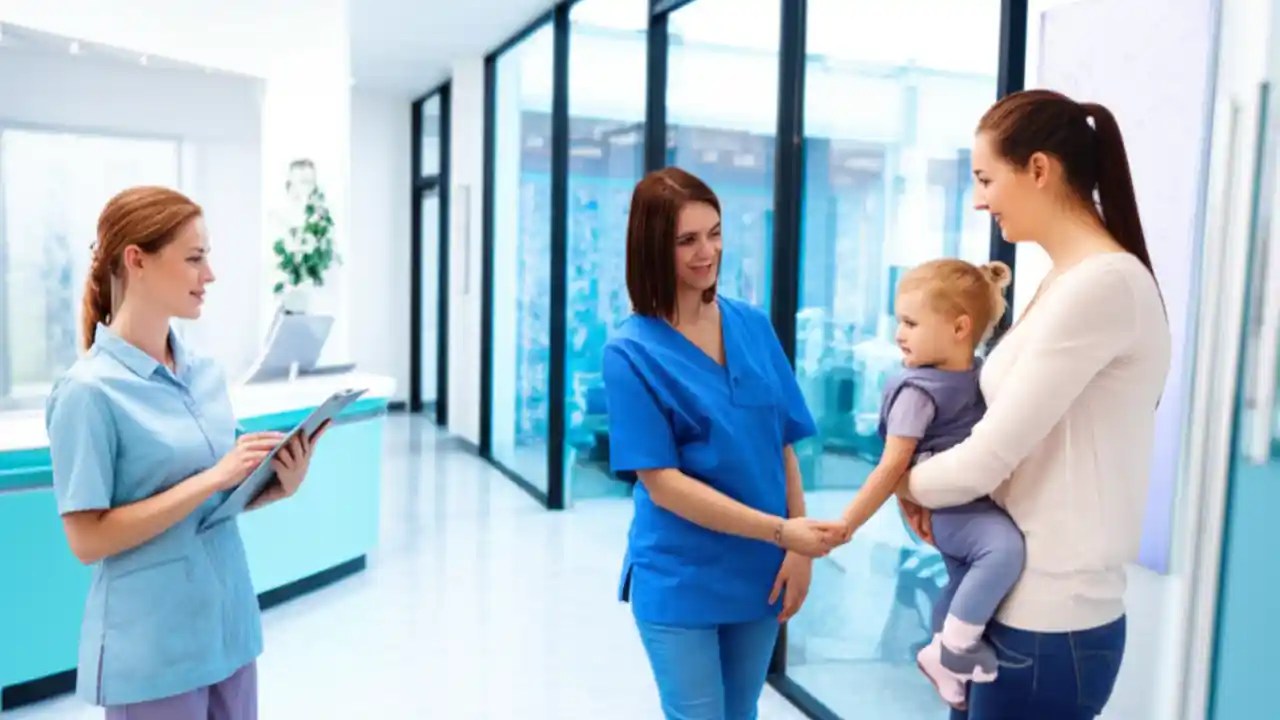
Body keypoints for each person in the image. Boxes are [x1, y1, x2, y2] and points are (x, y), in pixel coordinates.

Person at [900, 89, 1171, 719]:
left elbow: (987, 457)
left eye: (986, 178)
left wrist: (904, 482)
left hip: (1050, 621)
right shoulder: (1067, 281)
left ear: (1040, 170)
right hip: (1018, 607)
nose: (978, 199)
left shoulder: (1103, 286)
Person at [44, 186, 328, 719]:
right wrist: (212, 478)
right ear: (138, 261)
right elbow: (86, 540)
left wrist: (272, 487)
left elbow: (213, 507)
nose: (210, 274)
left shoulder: (205, 374)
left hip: (229, 634)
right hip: (154, 656)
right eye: (195, 258)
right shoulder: (88, 392)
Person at [602, 167, 841, 720]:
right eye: (686, 240)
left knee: (743, 713)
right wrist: (783, 531)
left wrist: (797, 547)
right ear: (651, 247)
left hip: (760, 571)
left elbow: (781, 443)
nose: (706, 251)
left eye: (714, 232)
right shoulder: (630, 352)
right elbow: (663, 485)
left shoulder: (752, 325)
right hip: (680, 573)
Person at [834, 259, 1025, 710]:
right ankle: (949, 651)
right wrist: (847, 524)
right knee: (1004, 550)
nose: (899, 333)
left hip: (966, 503)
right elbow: (890, 467)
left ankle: (943, 647)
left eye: (910, 322)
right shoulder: (919, 390)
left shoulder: (979, 374)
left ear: (960, 328)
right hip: (949, 511)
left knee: (960, 580)